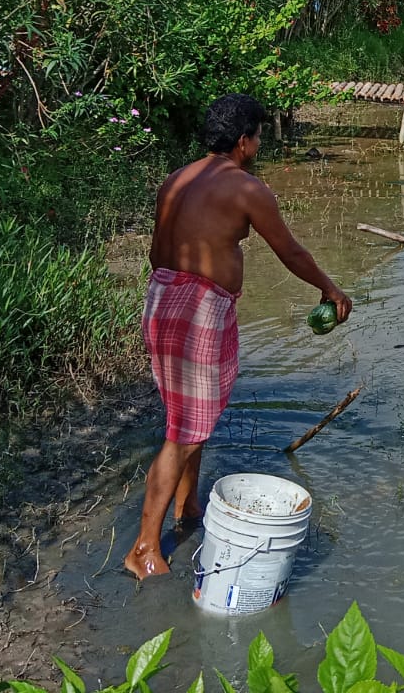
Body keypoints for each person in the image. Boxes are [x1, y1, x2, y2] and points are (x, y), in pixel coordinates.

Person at [123, 93, 352, 579]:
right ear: (245, 141)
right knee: (183, 432)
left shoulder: (176, 179)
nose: (260, 144)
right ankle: (144, 548)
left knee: (189, 420)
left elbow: (155, 254)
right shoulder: (246, 188)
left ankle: (188, 511)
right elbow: (289, 251)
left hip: (160, 299)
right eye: (260, 135)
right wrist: (330, 288)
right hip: (198, 309)